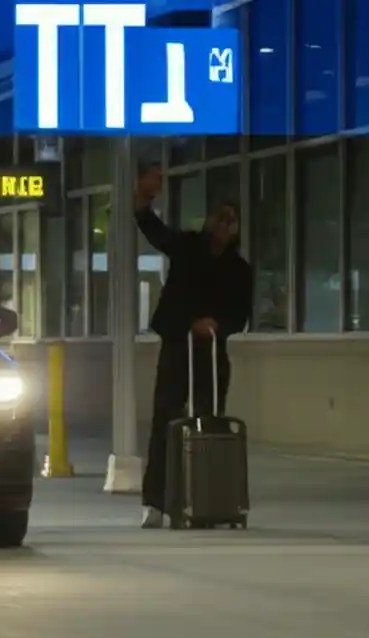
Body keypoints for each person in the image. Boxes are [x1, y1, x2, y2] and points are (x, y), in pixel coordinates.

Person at [133, 164, 252, 529]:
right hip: (177, 344)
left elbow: (239, 314)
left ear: (236, 229)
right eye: (219, 218)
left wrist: (216, 326)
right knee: (166, 418)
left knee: (210, 418)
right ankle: (156, 501)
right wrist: (143, 199)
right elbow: (156, 232)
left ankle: (206, 499)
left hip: (211, 351)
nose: (223, 225)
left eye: (230, 221)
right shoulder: (187, 247)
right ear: (209, 221)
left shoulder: (238, 269)